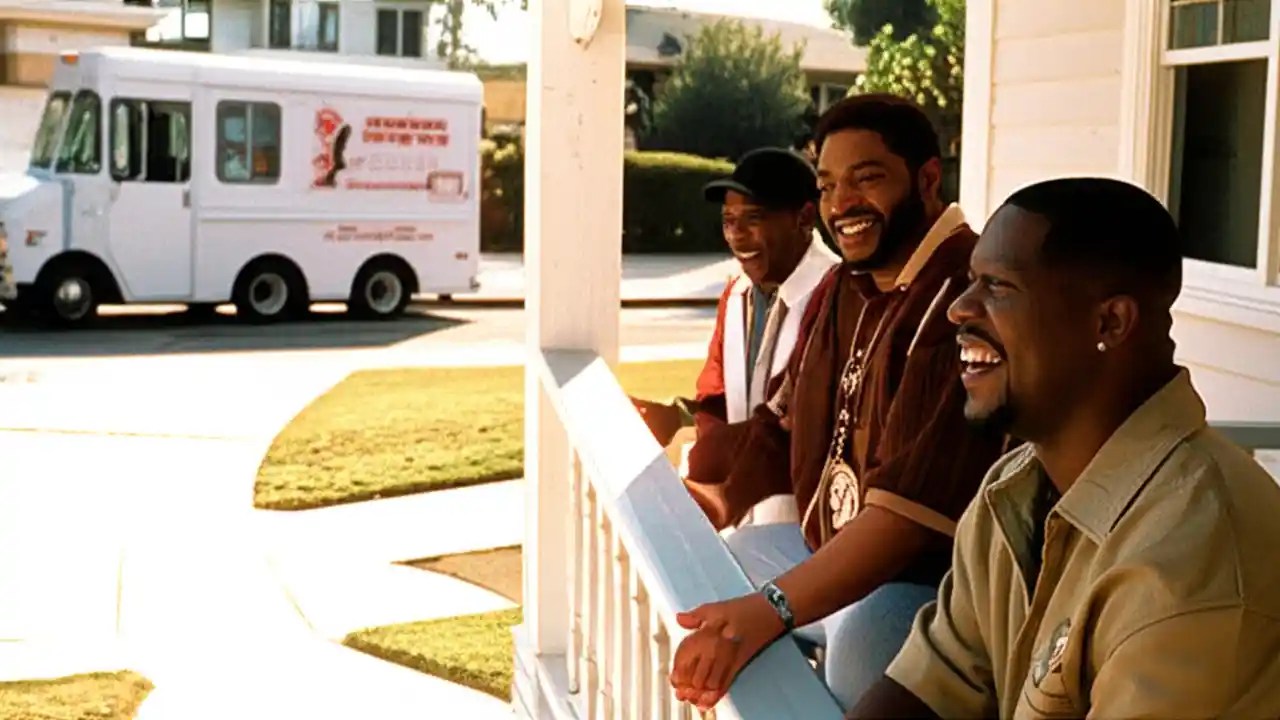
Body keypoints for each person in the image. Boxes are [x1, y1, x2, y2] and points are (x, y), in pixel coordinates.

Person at [849, 177, 1280, 719]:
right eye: (968, 282)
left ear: (1110, 322)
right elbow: (934, 683)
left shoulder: (1195, 560)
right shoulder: (1013, 489)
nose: (959, 309)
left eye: (998, 286)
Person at [667, 94, 1009, 711]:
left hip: (922, 585)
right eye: (827, 186)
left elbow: (906, 521)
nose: (841, 204)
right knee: (723, 569)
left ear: (928, 179)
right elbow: (781, 420)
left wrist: (770, 609)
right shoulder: (844, 285)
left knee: (860, 645)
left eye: (867, 178)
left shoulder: (963, 293)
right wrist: (721, 503)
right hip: (827, 552)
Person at [632, 147, 839, 525]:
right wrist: (677, 417)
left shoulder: (839, 295)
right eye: (728, 220)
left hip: (806, 529)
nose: (736, 234)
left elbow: (797, 423)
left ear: (805, 217)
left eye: (753, 218)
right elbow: (717, 395)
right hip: (742, 522)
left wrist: (712, 456)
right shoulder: (736, 292)